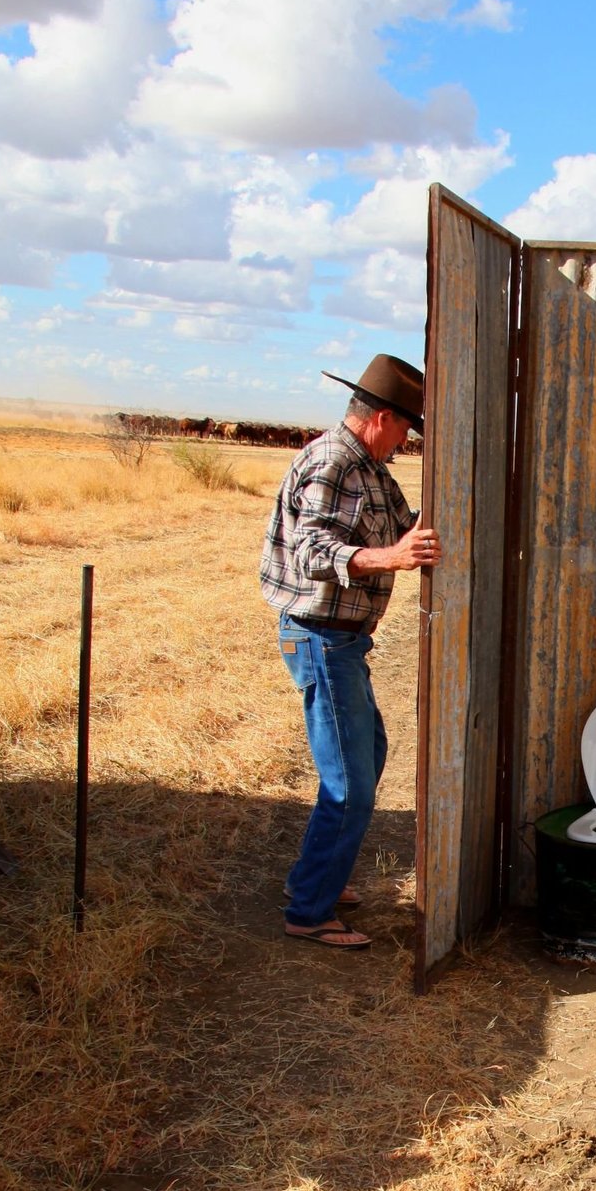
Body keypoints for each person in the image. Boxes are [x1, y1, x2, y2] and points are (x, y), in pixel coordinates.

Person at [260, 354, 442, 950]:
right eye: (407, 428)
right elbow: (314, 549)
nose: (406, 441)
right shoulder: (336, 461)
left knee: (365, 755)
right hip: (320, 638)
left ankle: (317, 880)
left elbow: (399, 526)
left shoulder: (369, 467)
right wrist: (390, 558)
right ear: (383, 419)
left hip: (339, 642)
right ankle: (309, 911)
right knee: (351, 783)